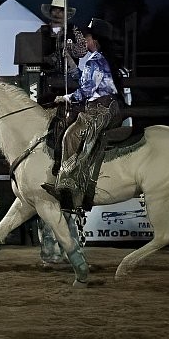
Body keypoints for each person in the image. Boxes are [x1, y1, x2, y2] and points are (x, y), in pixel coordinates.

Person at [42, 19, 123, 212]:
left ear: (95, 40)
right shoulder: (100, 60)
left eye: (86, 38)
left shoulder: (95, 60)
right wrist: (70, 62)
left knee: (71, 135)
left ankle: (68, 185)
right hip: (107, 106)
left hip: (100, 109)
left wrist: (64, 97)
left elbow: (85, 91)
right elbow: (85, 80)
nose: (84, 42)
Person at [34, 0, 86, 106]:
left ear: (66, 14)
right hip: (47, 76)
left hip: (71, 75)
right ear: (50, 12)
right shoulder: (42, 31)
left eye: (61, 10)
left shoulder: (73, 30)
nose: (57, 13)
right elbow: (33, 51)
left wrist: (69, 47)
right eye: (55, 10)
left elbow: (82, 50)